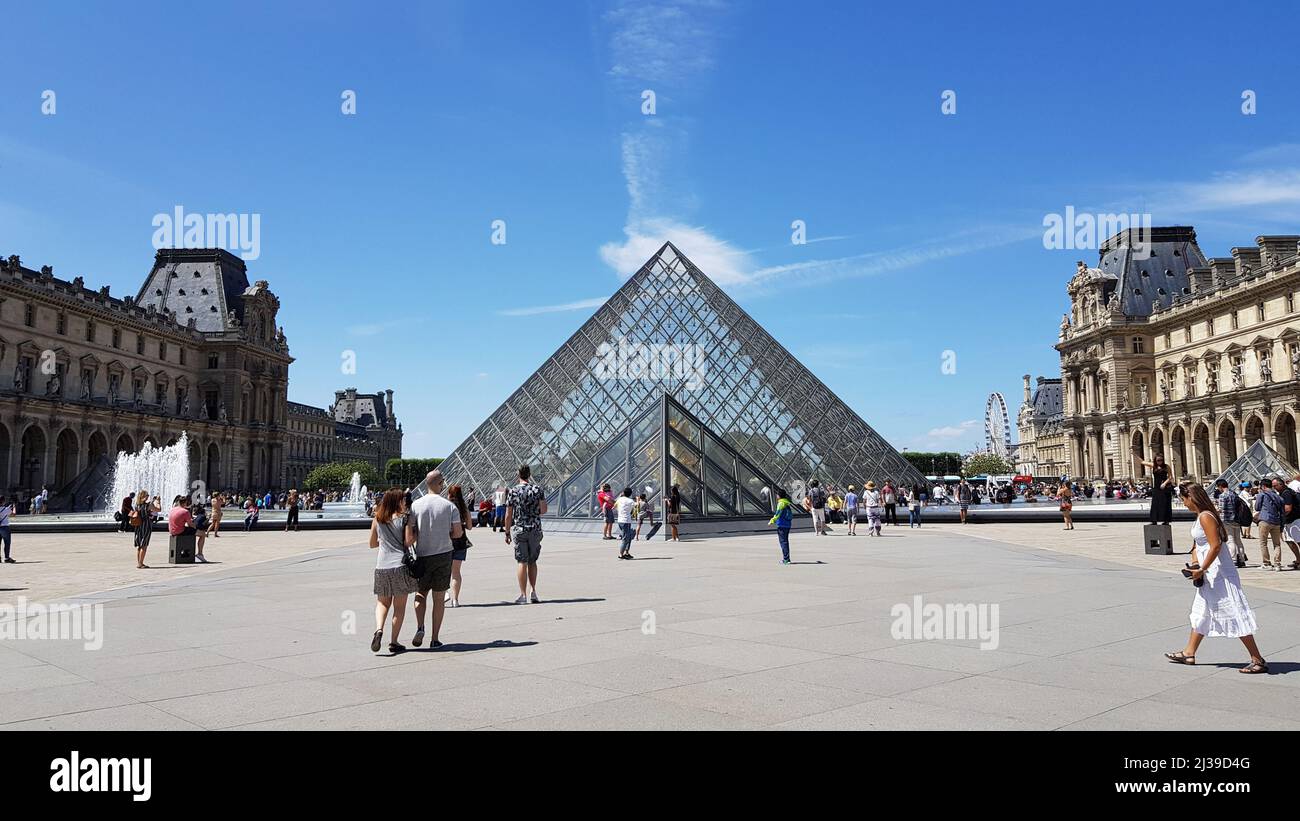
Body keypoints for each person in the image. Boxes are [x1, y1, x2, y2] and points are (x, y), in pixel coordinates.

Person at [1165, 483, 1267, 674]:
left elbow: (1215, 546)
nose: (1183, 503)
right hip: (1210, 573)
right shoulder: (1201, 515)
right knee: (1202, 611)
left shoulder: (1205, 516)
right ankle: (1189, 652)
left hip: (1219, 574)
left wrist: (1202, 568)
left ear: (1191, 498)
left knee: (1233, 611)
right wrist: (1195, 562)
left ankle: (1257, 659)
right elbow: (1199, 544)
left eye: (1184, 499)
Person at [406, 471, 462, 647]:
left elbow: (410, 536)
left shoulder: (416, 505)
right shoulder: (449, 506)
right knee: (439, 599)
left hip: (422, 555)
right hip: (443, 555)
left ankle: (420, 627)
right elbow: (458, 533)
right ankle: (435, 638)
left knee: (420, 593)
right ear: (440, 483)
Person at [369, 488, 416, 654]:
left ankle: (379, 629)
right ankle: (394, 641)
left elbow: (372, 544)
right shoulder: (405, 518)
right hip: (400, 566)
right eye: (402, 499)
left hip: (381, 565)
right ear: (398, 501)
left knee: (382, 603)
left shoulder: (378, 518)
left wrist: (384, 541)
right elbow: (409, 541)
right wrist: (415, 534)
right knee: (399, 607)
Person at [503, 463, 546, 603]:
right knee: (533, 561)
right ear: (529, 475)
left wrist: (507, 532)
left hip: (520, 529)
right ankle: (533, 592)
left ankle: (523, 595)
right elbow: (544, 509)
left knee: (522, 562)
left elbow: (508, 515)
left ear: (518, 475)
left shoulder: (513, 491)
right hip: (535, 528)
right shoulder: (537, 489)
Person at [446, 484, 474, 607]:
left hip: (446, 542)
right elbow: (469, 527)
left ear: (449, 494)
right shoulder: (464, 508)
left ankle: (445, 593)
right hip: (461, 542)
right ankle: (455, 600)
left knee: (444, 571)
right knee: (456, 573)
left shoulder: (446, 507)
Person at [1214, 478, 1249, 568]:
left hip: (1227, 520)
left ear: (1220, 486)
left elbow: (1220, 509)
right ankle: (1241, 559)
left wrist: (1215, 509)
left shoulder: (1223, 496)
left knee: (1230, 540)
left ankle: (1233, 560)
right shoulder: (1234, 494)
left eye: (1218, 487)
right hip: (1237, 520)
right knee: (1238, 540)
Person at [1253, 477, 1286, 571]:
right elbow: (1282, 511)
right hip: (1276, 521)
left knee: (1263, 543)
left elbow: (1257, 507)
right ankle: (1277, 564)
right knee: (1277, 544)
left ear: (1263, 486)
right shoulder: (1278, 496)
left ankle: (1266, 563)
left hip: (1265, 520)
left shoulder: (1262, 495)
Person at [1137, 452, 1174, 524]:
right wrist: (1134, 454)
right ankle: (1154, 520)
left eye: (1161, 460)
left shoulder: (1166, 466)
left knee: (1165, 503)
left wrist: (1164, 483)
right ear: (1155, 460)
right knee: (1155, 503)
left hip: (1165, 488)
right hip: (1156, 487)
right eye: (1158, 460)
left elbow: (1170, 477)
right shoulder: (1154, 466)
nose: (1160, 462)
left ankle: (1166, 521)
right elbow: (1142, 462)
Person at [1272, 477, 1300, 570]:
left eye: (1275, 485)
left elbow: (1288, 508)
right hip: (1289, 521)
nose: (1274, 487)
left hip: (1294, 520)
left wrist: (1278, 514)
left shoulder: (1287, 493)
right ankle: (1298, 560)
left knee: (1298, 541)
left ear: (1281, 484)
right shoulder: (1283, 492)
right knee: (1289, 540)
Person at [133, 490, 159, 569]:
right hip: (146, 525)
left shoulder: (137, 505)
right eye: (147, 495)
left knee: (139, 546)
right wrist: (158, 501)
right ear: (145, 496)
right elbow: (158, 509)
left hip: (138, 526)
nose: (148, 496)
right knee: (144, 545)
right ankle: (140, 563)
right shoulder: (148, 505)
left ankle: (139, 562)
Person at [768, 487, 794, 564]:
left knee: (783, 542)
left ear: (779, 496)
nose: (776, 496)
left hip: (782, 524)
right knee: (785, 541)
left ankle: (786, 559)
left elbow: (778, 513)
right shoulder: (787, 503)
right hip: (787, 524)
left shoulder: (781, 503)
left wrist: (772, 520)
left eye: (777, 495)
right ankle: (786, 558)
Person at [614, 486, 636, 559]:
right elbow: (637, 507)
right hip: (626, 521)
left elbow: (614, 506)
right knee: (625, 538)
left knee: (628, 537)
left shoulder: (619, 499)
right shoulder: (630, 501)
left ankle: (627, 552)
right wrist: (638, 500)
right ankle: (621, 554)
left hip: (620, 520)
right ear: (630, 494)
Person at [189, 497, 209, 562]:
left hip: (177, 529)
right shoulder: (202, 515)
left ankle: (199, 553)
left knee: (202, 533)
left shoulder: (188, 509)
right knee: (203, 535)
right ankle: (200, 553)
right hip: (186, 530)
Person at [0, 495, 12, 563]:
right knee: (7, 543)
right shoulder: (6, 509)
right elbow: (13, 514)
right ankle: (7, 558)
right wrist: (11, 508)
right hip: (5, 527)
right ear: (3, 501)